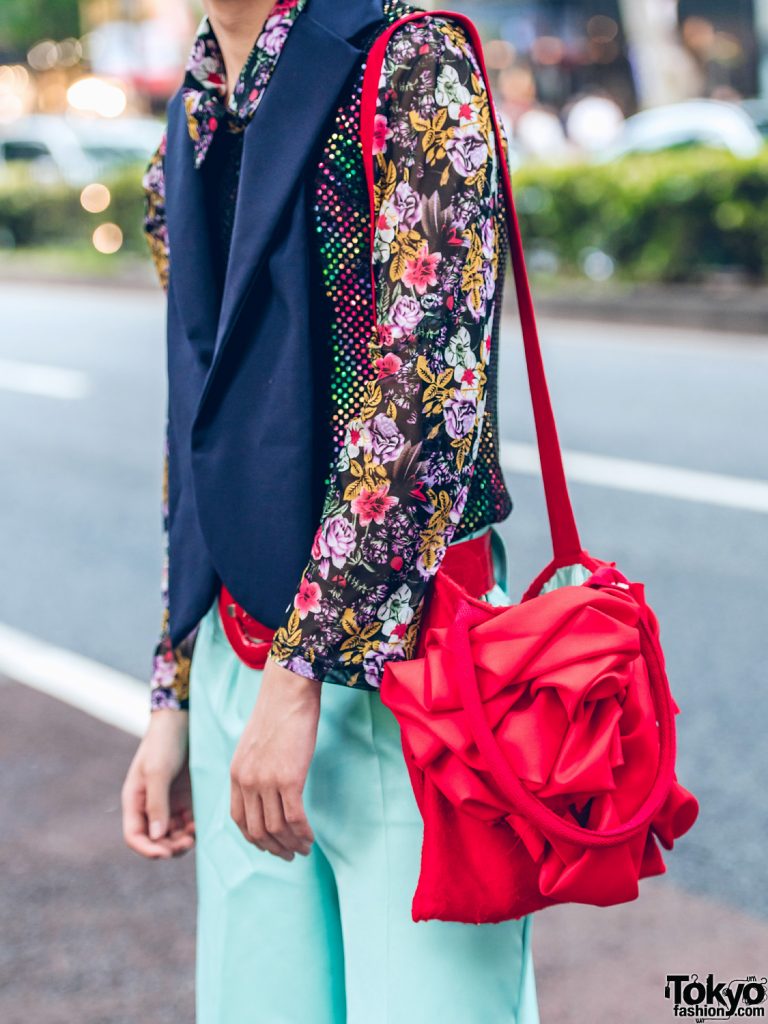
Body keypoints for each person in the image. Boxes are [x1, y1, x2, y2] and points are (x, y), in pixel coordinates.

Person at [121, 0, 541, 1020]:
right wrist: (175, 689)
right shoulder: (194, 111)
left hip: (413, 671)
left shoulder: (409, 60)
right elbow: (195, 417)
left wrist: (301, 671)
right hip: (237, 661)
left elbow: (430, 395)